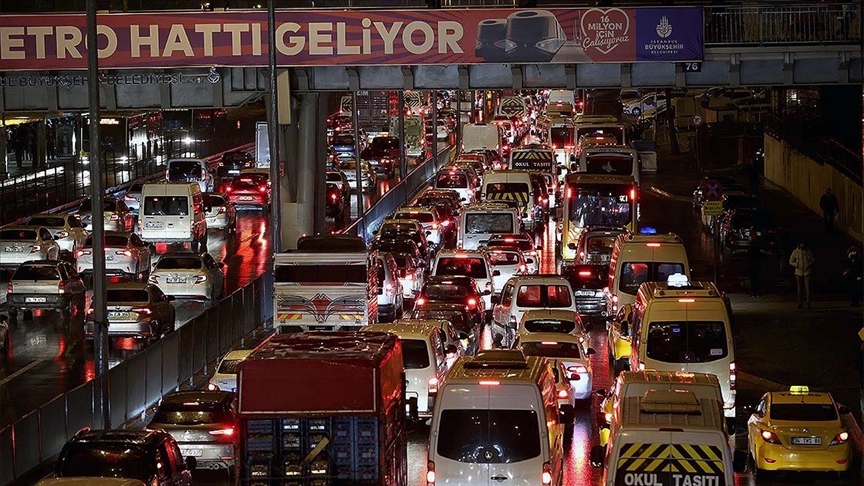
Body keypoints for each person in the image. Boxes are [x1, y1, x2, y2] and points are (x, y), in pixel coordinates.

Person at [788, 241, 814, 309]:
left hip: (807, 272)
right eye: (801, 245)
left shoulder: (808, 251)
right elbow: (790, 261)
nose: (802, 246)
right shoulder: (795, 252)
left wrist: (809, 264)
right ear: (799, 245)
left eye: (803, 245)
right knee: (799, 288)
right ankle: (800, 303)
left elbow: (812, 260)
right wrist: (796, 265)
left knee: (807, 288)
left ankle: (808, 303)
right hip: (798, 272)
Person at [747, 230, 763, 297]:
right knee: (756, 279)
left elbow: (751, 255)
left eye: (750, 236)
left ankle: (755, 292)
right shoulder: (756, 244)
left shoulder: (753, 245)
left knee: (754, 279)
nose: (749, 237)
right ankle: (756, 292)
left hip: (753, 265)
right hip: (756, 264)